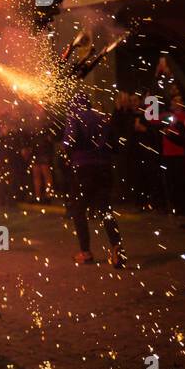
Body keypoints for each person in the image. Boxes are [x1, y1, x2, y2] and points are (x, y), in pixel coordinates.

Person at [61, 92, 125, 267]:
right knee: (105, 209)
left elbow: (69, 141)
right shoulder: (102, 117)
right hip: (104, 167)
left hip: (83, 168)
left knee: (79, 210)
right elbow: (115, 144)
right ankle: (117, 247)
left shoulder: (74, 116)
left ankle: (85, 252)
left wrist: (69, 154)